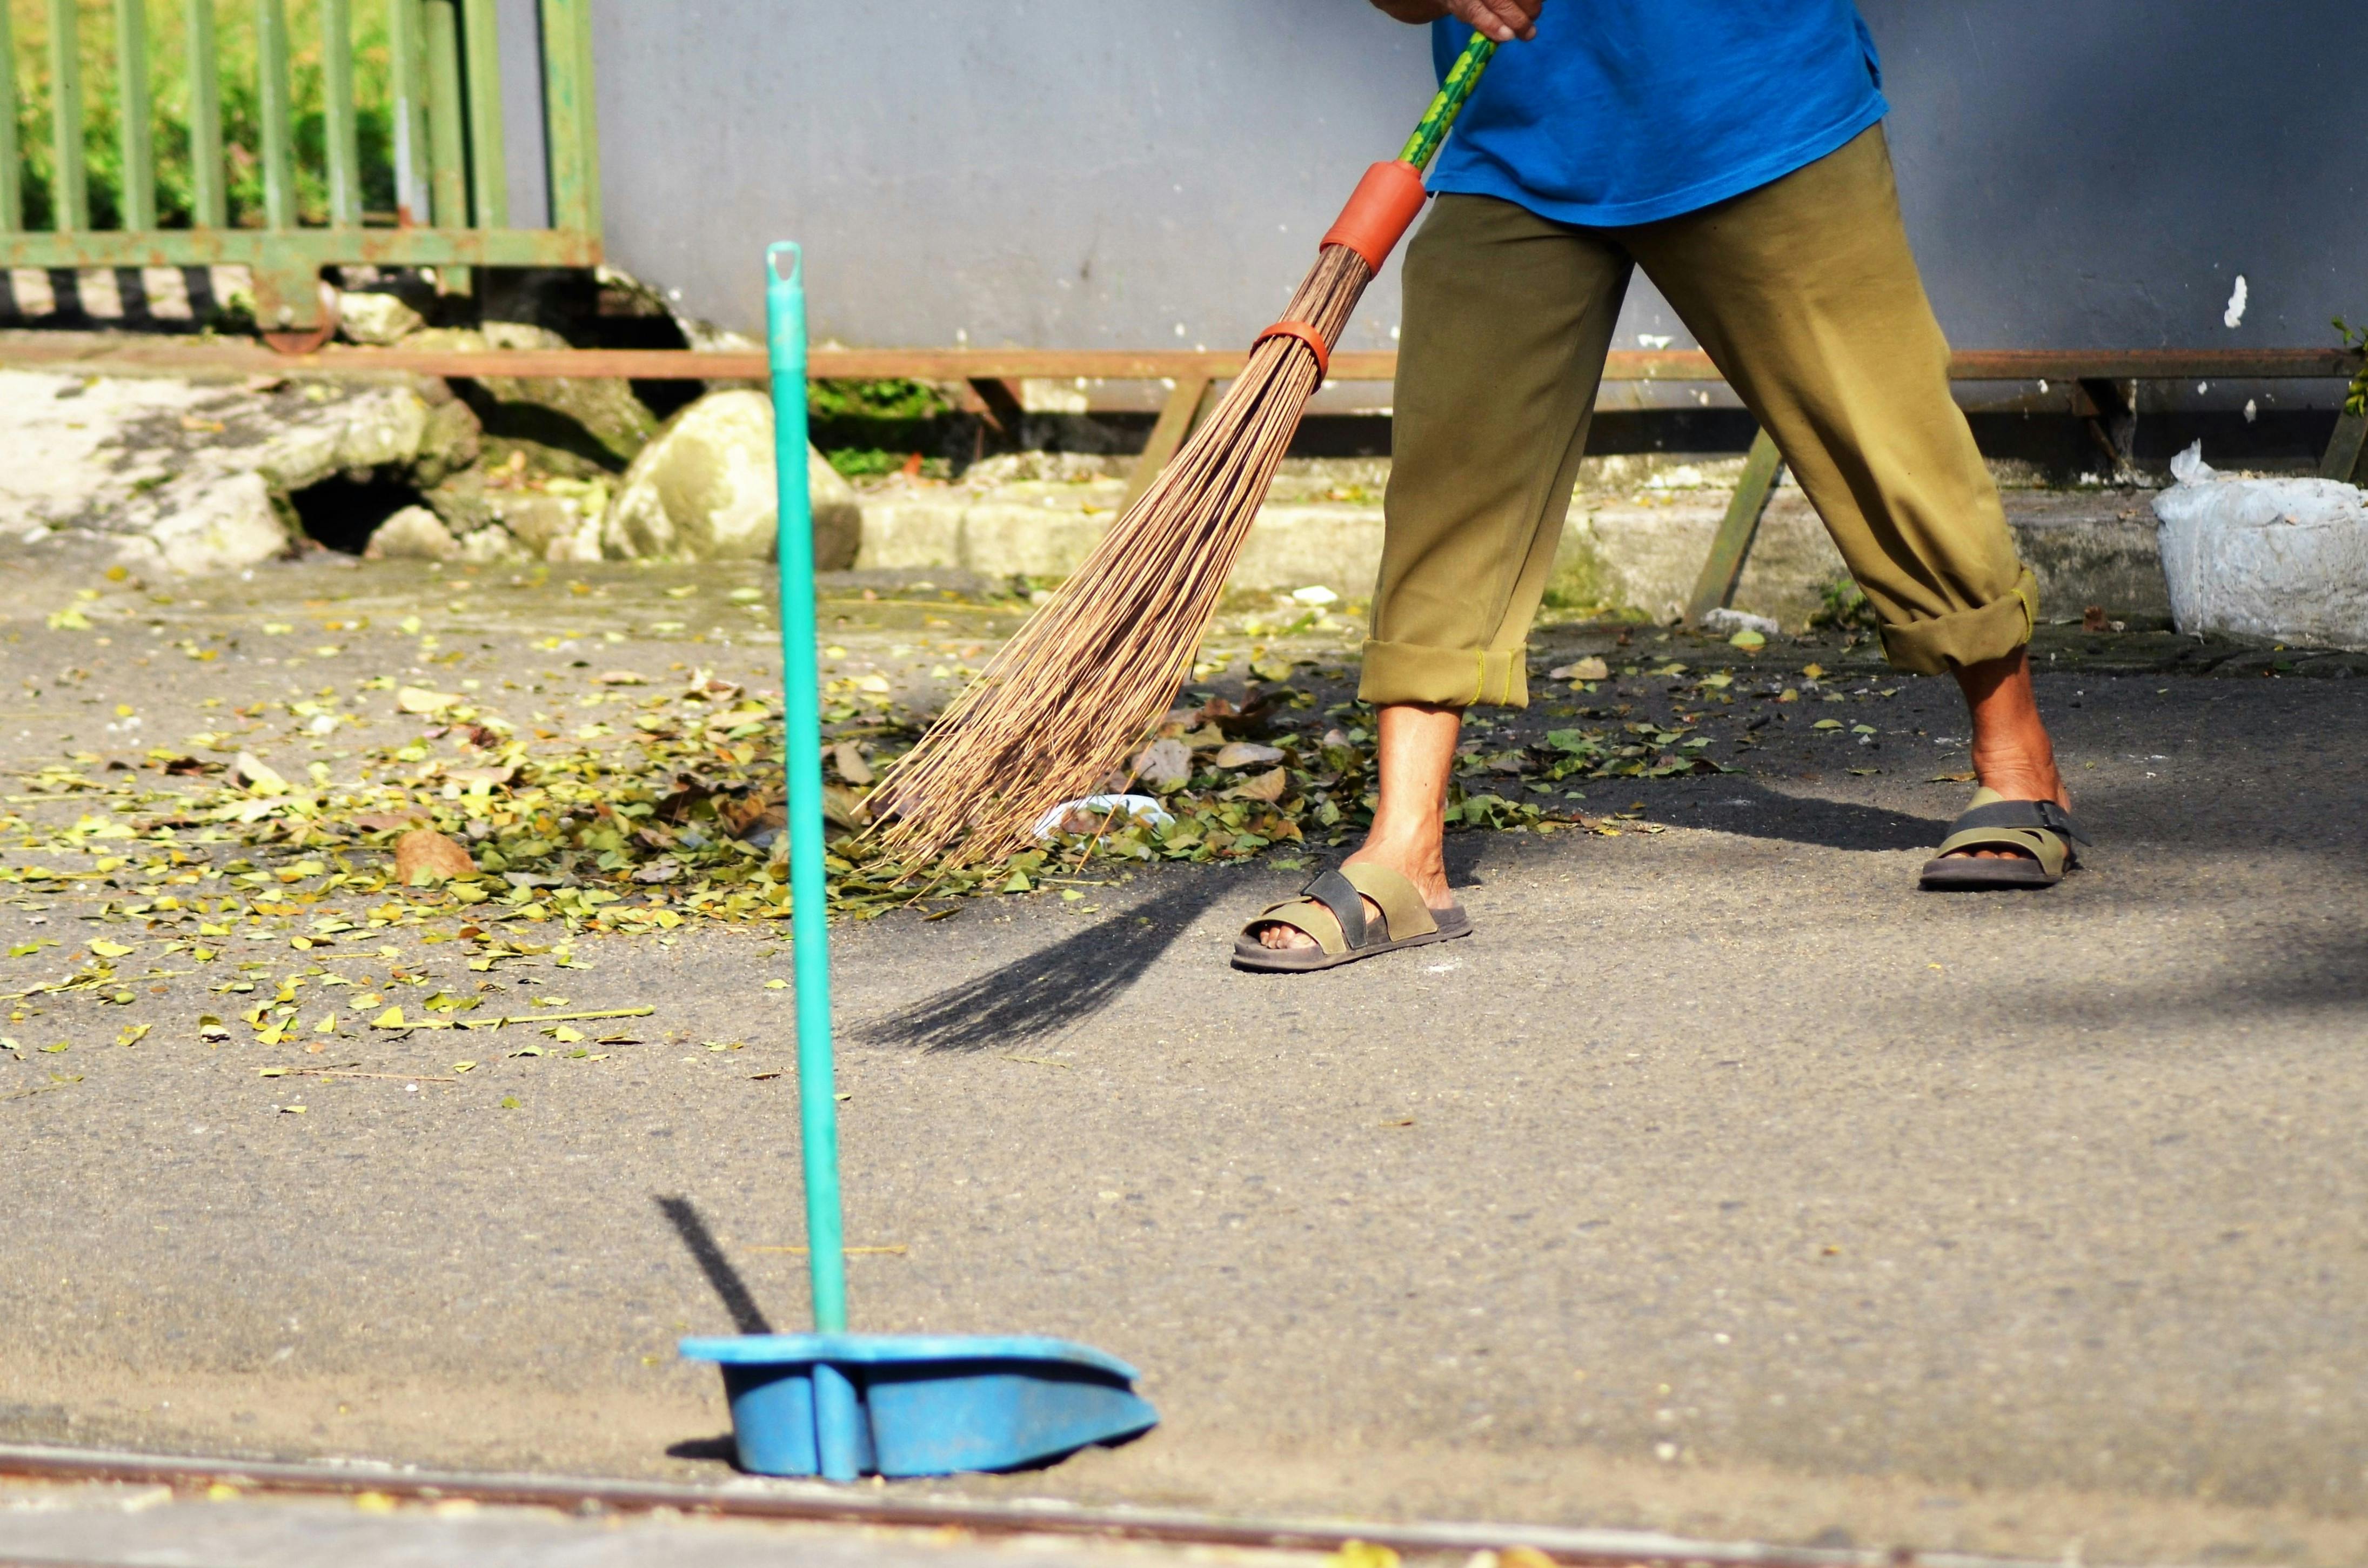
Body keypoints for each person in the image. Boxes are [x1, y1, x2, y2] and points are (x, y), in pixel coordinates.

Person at [1237, 0, 2088, 973]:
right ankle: (1405, 848)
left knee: (1882, 434)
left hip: (1750, 109)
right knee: (1452, 477)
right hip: (1522, 134)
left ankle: (2016, 760)